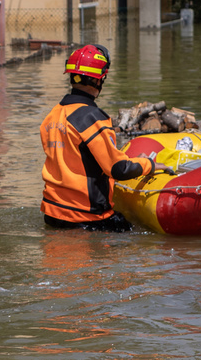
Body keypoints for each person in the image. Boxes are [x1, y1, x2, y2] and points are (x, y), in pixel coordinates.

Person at [39, 43, 169, 231]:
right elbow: (117, 169)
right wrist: (150, 165)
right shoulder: (92, 117)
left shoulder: (53, 115)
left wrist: (130, 160)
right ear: (99, 80)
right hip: (87, 217)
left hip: (53, 214)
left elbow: (80, 159)